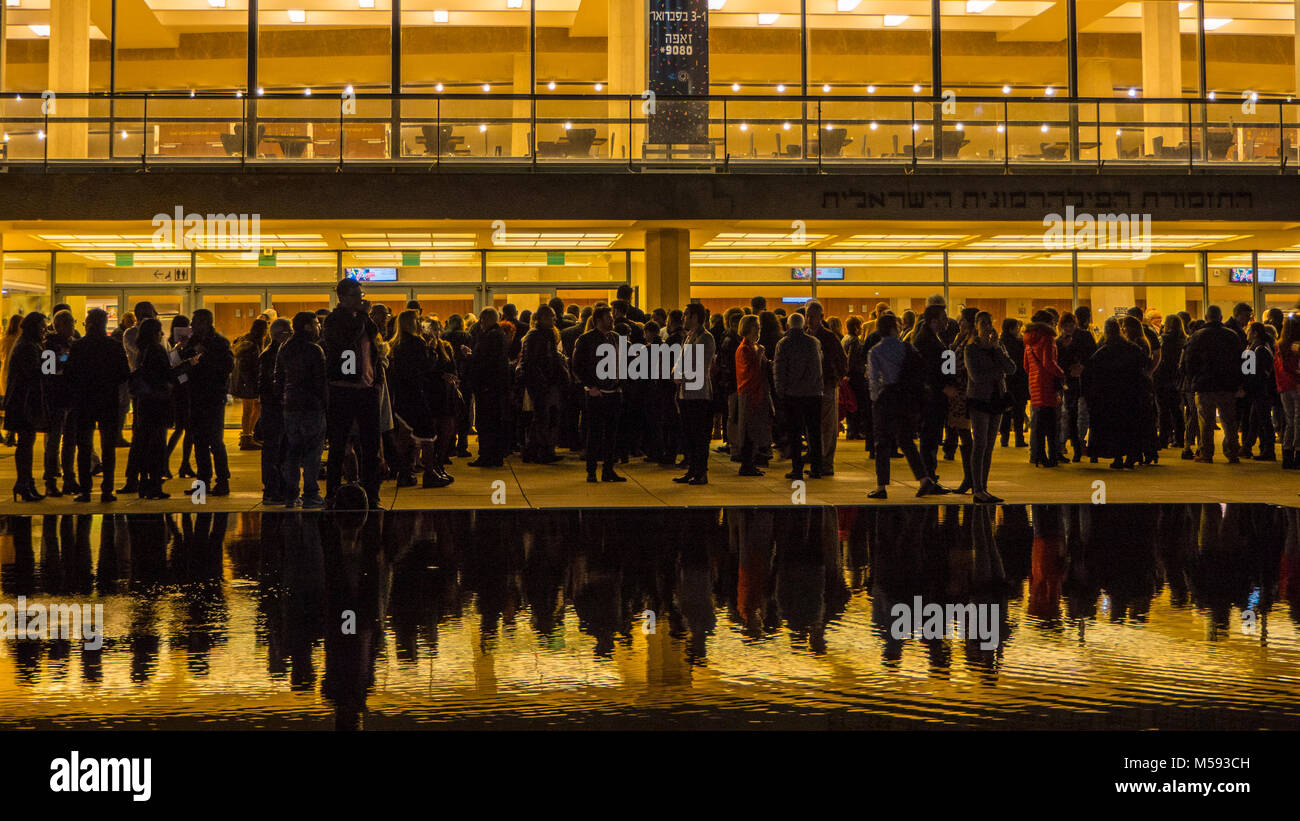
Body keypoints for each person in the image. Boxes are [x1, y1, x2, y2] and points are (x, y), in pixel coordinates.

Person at [322, 277, 386, 506]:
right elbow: (347, 340)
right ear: (342, 298)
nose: (361, 299)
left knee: (371, 446)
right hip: (343, 389)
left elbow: (375, 342)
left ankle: (373, 493)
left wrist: (376, 381)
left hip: (367, 388)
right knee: (338, 444)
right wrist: (362, 316)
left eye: (361, 294)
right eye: (356, 295)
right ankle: (332, 493)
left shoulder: (363, 320)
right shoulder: (334, 321)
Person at [865, 314, 938, 499]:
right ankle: (923, 478)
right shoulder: (906, 347)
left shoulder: (875, 351)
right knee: (905, 439)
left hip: (886, 397)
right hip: (905, 397)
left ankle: (881, 486)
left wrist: (875, 398)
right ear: (894, 328)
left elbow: (874, 379)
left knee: (881, 441)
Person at [66, 309, 130, 502]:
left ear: (90, 324)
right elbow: (123, 374)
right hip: (107, 401)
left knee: (84, 447)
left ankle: (85, 489)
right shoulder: (114, 346)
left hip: (84, 402)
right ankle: (107, 489)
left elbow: (69, 374)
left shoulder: (79, 347)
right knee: (108, 447)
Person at [389, 310, 450, 488]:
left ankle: (404, 472)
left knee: (405, 434)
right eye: (417, 320)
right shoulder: (417, 342)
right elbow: (426, 367)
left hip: (401, 395)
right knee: (428, 434)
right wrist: (431, 350)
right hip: (416, 393)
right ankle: (430, 473)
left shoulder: (396, 344)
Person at [179, 308, 235, 497]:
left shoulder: (219, 343)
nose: (192, 325)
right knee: (200, 442)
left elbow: (227, 367)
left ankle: (222, 482)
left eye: (195, 322)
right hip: (195, 396)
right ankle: (203, 483)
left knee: (215, 441)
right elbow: (179, 362)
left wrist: (203, 362)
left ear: (205, 323)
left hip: (212, 397)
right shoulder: (193, 342)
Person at [275, 311, 328, 508]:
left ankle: (291, 494)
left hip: (291, 406)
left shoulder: (285, 347)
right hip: (311, 406)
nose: (318, 327)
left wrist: (283, 398)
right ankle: (311, 493)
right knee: (313, 451)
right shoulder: (314, 350)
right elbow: (320, 382)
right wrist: (325, 404)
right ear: (306, 326)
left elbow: (278, 377)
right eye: (315, 324)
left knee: (293, 451)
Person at [964, 311, 1017, 503]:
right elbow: (976, 376)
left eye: (989, 322)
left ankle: (984, 487)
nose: (987, 326)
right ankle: (977, 488)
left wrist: (996, 349)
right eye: (983, 323)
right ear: (977, 326)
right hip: (979, 399)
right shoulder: (971, 349)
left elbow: (1011, 368)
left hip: (997, 399)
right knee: (980, 444)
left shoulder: (998, 346)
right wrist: (998, 372)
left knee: (989, 446)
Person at [1183, 304, 1245, 464]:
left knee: (1206, 421)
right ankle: (1232, 451)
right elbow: (1241, 360)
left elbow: (1189, 362)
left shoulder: (1197, 336)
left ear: (1206, 318)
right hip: (1227, 384)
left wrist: (1192, 379)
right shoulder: (1232, 336)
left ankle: (1206, 452)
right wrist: (1239, 382)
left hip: (1204, 385)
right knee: (1229, 421)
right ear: (1221, 317)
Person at [573, 305, 627, 483]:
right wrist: (591, 386)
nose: (611, 320)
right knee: (594, 433)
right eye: (608, 318)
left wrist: (620, 384)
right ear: (598, 320)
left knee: (612, 434)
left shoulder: (617, 338)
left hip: (614, 392)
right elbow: (577, 366)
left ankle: (608, 470)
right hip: (596, 393)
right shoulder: (586, 339)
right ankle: (591, 471)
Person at [1083, 318, 1145, 469]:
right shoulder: (1132, 349)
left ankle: (1117, 457)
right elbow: (1143, 365)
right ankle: (1131, 456)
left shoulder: (1102, 351)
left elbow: (1091, 373)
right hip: (1131, 394)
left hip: (1110, 395)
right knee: (1130, 425)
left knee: (1114, 428)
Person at [130, 317, 177, 499]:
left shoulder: (143, 351)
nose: (162, 334)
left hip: (145, 402)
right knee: (157, 444)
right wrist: (186, 366)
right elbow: (166, 375)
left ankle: (144, 482)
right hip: (158, 402)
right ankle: (155, 484)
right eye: (160, 331)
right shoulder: (157, 350)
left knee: (145, 443)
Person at [773, 311, 823, 481]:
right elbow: (818, 368)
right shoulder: (814, 342)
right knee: (814, 433)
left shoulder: (783, 344)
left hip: (792, 394)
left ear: (788, 326)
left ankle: (797, 469)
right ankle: (817, 468)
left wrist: (780, 391)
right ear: (803, 325)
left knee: (794, 433)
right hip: (813, 394)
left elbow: (779, 370)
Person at [4, 312, 48, 501]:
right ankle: (24, 483)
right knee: (25, 444)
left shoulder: (28, 344)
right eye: (41, 326)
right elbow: (41, 373)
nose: (44, 330)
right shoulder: (27, 347)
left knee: (26, 444)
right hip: (24, 402)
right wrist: (51, 355)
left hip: (23, 400)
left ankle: (25, 482)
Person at [516, 306, 568, 465]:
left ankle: (535, 450)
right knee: (542, 417)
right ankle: (540, 451)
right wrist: (543, 381)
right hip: (540, 383)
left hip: (543, 382)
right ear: (543, 317)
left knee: (542, 417)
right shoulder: (537, 336)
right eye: (551, 316)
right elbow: (532, 362)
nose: (555, 319)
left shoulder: (542, 334)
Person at [462, 306, 510, 468]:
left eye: (482, 320)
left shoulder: (490, 336)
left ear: (487, 319)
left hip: (487, 387)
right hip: (495, 386)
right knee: (495, 422)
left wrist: (469, 356)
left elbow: (484, 362)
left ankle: (486, 455)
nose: (481, 323)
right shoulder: (500, 335)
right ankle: (495, 455)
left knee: (485, 422)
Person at [805, 301, 848, 476]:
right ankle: (817, 459)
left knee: (828, 426)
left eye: (812, 316)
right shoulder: (807, 336)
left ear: (821, 317)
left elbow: (842, 360)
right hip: (811, 388)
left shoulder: (828, 337)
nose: (809, 319)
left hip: (827, 386)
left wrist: (836, 378)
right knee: (813, 426)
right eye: (807, 315)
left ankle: (826, 463)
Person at [676, 302, 716, 484]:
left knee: (699, 435)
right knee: (688, 434)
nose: (684, 318)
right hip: (686, 393)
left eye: (686, 315)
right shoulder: (689, 337)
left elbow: (698, 365)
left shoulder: (705, 338)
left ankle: (701, 472)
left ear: (695, 317)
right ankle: (692, 469)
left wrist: (680, 376)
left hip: (698, 394)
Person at [41, 309, 78, 497]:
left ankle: (69, 477)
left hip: (71, 397)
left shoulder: (72, 343)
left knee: (70, 440)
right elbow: (48, 372)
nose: (73, 326)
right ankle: (51, 479)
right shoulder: (50, 346)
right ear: (61, 325)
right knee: (54, 441)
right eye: (71, 322)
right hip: (56, 398)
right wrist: (66, 360)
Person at [1022, 310, 1064, 468]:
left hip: (1034, 382)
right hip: (1047, 382)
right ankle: (1052, 457)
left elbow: (1026, 366)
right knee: (1052, 424)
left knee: (1038, 423)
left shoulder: (1028, 339)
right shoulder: (1048, 337)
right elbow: (1048, 363)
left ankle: (1038, 455)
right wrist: (1061, 373)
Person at [257, 318, 292, 503]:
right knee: (275, 449)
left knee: (280, 449)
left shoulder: (271, 353)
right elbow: (268, 385)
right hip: (275, 408)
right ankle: (273, 489)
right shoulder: (273, 355)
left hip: (275, 407)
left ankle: (277, 488)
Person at [1055, 311, 1096, 463]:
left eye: (1071, 325)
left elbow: (1093, 355)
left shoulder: (1084, 337)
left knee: (1082, 414)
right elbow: (1058, 361)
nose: (1069, 328)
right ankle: (1076, 447)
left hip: (1083, 380)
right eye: (1066, 325)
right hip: (1071, 381)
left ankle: (1081, 447)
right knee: (1072, 414)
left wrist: (1082, 366)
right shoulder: (1060, 341)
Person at [735, 314, 773, 476]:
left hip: (757, 392)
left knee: (754, 428)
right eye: (756, 326)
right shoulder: (745, 349)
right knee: (749, 429)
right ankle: (747, 463)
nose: (758, 329)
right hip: (750, 392)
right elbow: (749, 372)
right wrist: (760, 357)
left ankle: (751, 461)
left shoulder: (754, 346)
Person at [231, 317, 268, 451]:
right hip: (248, 383)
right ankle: (246, 437)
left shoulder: (247, 342)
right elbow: (248, 367)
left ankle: (248, 436)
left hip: (245, 382)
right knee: (249, 409)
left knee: (255, 408)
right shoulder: (251, 345)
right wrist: (252, 382)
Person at [1242, 321, 1277, 461]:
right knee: (1256, 419)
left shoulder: (1256, 349)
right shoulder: (1265, 347)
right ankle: (1247, 447)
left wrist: (1245, 388)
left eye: (1249, 330)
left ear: (1255, 333)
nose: (1247, 333)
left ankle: (1268, 450)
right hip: (1263, 390)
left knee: (1262, 420)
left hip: (1259, 390)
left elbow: (1250, 372)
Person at [165, 315, 195, 479]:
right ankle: (171, 462)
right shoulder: (173, 346)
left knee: (186, 429)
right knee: (181, 429)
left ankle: (185, 464)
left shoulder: (183, 345)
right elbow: (176, 368)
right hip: (181, 391)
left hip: (182, 391)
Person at [1153, 314, 1187, 454]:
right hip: (1177, 378)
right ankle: (1179, 438)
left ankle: (1163, 439)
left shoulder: (1162, 340)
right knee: (1177, 410)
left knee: (1163, 410)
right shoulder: (1184, 340)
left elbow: (1158, 357)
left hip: (1162, 378)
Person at [999, 318, 1029, 447]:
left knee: (1006, 410)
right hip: (1019, 381)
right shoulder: (1019, 343)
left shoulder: (1000, 343)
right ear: (1011, 329)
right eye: (1017, 327)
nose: (1019, 330)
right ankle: (1019, 438)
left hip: (1006, 381)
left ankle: (1004, 439)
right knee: (1019, 411)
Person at [1276, 314, 1300, 470]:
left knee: (1290, 420)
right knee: (1298, 421)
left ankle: (1286, 453)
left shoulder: (1279, 346)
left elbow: (1279, 369)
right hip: (1297, 385)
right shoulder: (1296, 347)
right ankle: (1297, 451)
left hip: (1284, 387)